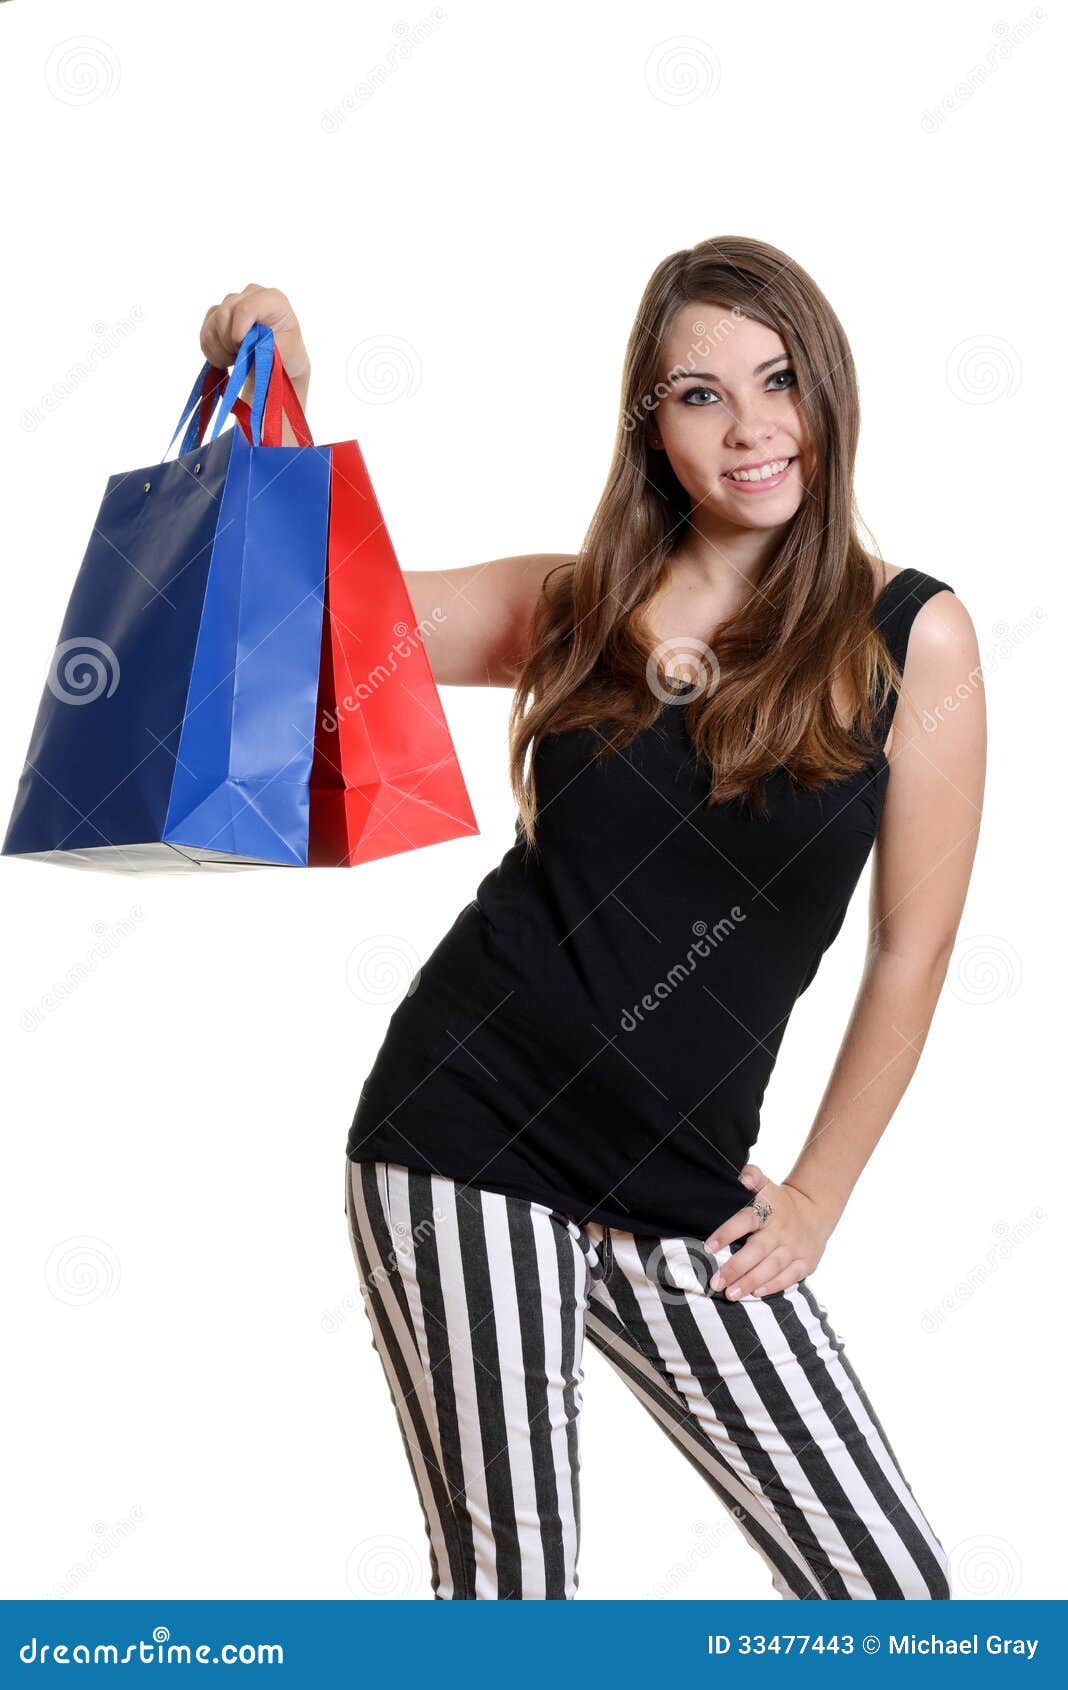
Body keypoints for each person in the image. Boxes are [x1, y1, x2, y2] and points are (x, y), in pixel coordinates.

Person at [201, 238, 985, 1601]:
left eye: (779, 380)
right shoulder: (575, 605)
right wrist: (282, 401)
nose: (750, 428)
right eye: (699, 394)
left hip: (686, 1185)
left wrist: (816, 1195)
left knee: (896, 1601)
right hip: (469, 1133)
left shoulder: (915, 637)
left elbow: (912, 950)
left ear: (829, 389)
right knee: (520, 1609)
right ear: (652, 426)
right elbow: (320, 617)